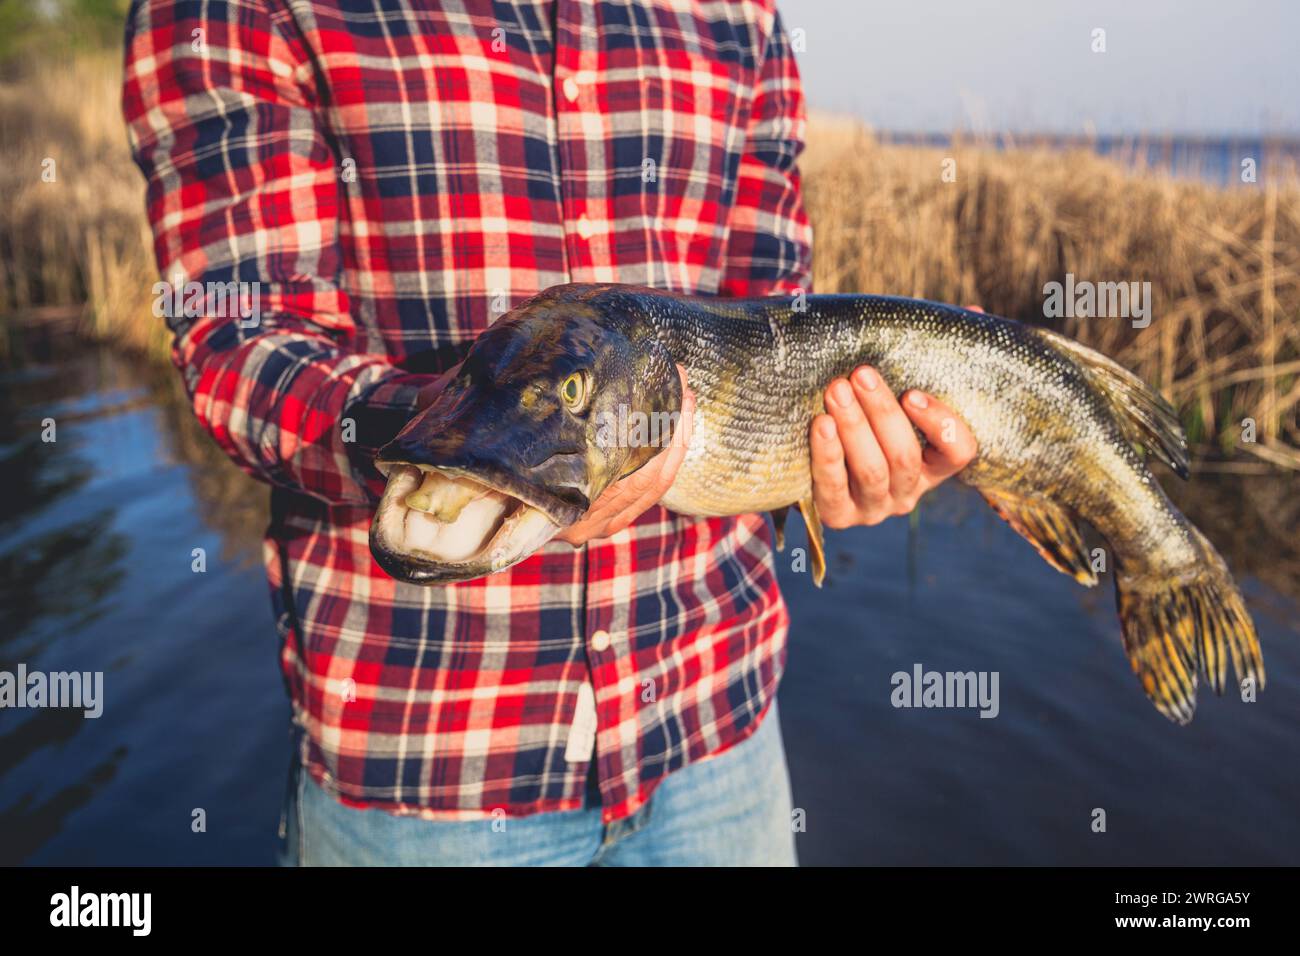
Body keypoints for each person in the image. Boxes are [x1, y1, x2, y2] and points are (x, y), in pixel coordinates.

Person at [123, 0, 977, 866]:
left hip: (719, 720)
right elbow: (238, 338)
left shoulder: (740, 13)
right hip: (427, 765)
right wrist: (455, 440)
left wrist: (838, 460)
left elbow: (773, 316)